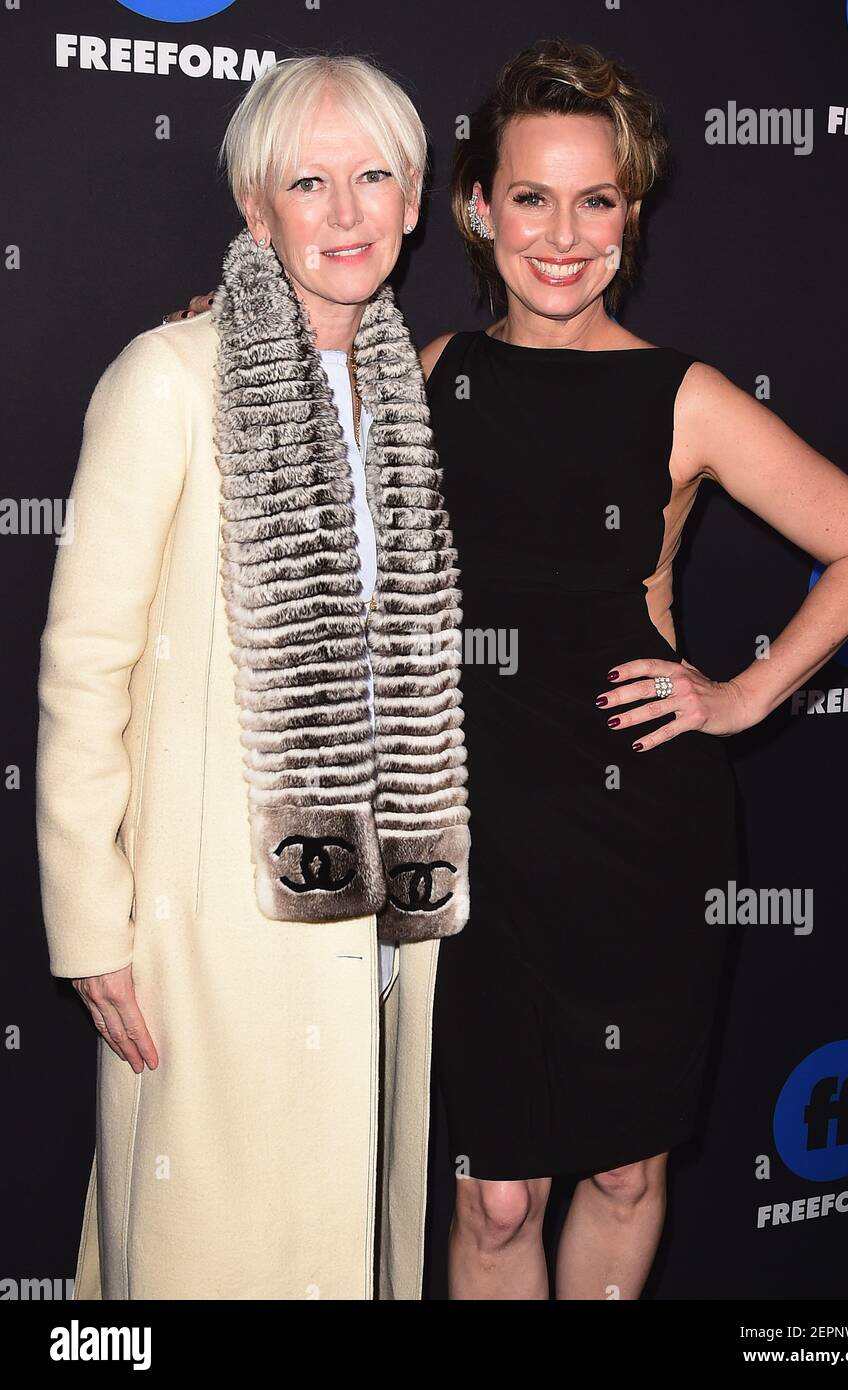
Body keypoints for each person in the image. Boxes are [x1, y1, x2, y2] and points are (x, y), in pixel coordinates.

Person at [416, 38, 848, 1300]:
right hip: (472, 820)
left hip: (642, 824)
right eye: (533, 197)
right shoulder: (428, 375)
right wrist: (217, 320)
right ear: (480, 207)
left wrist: (739, 694)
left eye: (597, 201)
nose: (563, 235)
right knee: (496, 1191)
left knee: (627, 1172)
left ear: (630, 215)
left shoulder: (680, 393)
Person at [36, 53, 469, 1301]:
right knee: (205, 1258)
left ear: (411, 201)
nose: (344, 214)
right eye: (308, 182)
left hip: (379, 909)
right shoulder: (166, 379)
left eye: (372, 178)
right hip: (205, 931)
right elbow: (83, 671)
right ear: (254, 204)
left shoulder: (405, 404)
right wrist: (91, 928)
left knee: (347, 1244)